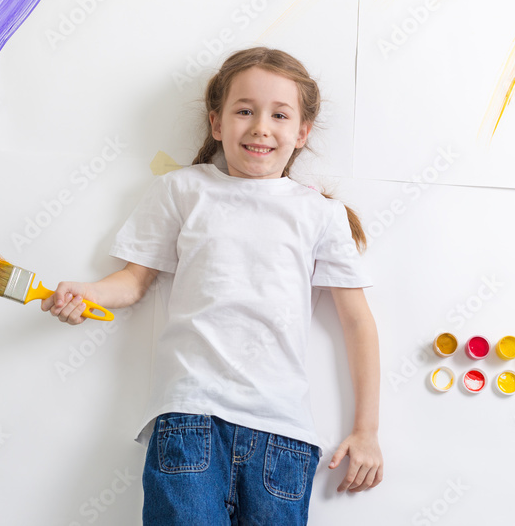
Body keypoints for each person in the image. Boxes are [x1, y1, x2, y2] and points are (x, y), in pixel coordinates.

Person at [40, 47, 383, 525]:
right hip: (189, 417)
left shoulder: (319, 214)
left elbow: (357, 322)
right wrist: (88, 294)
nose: (261, 126)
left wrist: (365, 430)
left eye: (279, 115)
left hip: (282, 435)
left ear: (301, 133)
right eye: (245, 111)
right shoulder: (182, 190)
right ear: (217, 124)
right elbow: (134, 282)